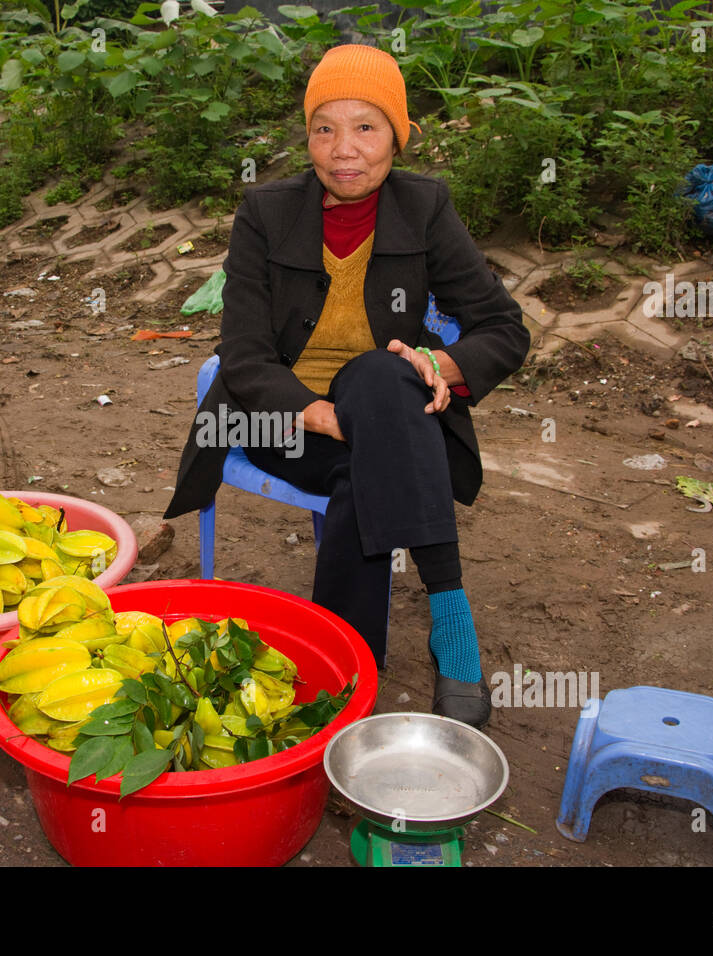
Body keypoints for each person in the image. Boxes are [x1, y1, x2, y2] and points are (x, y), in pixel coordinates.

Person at [163, 44, 529, 728]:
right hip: (278, 421)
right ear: (306, 136)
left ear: (400, 134)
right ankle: (450, 632)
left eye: (367, 126)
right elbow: (242, 357)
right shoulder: (266, 212)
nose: (344, 149)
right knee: (375, 424)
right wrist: (321, 415)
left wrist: (439, 367)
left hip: (389, 409)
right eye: (324, 128)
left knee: (381, 380)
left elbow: (503, 330)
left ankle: (341, 677)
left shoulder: (424, 207)